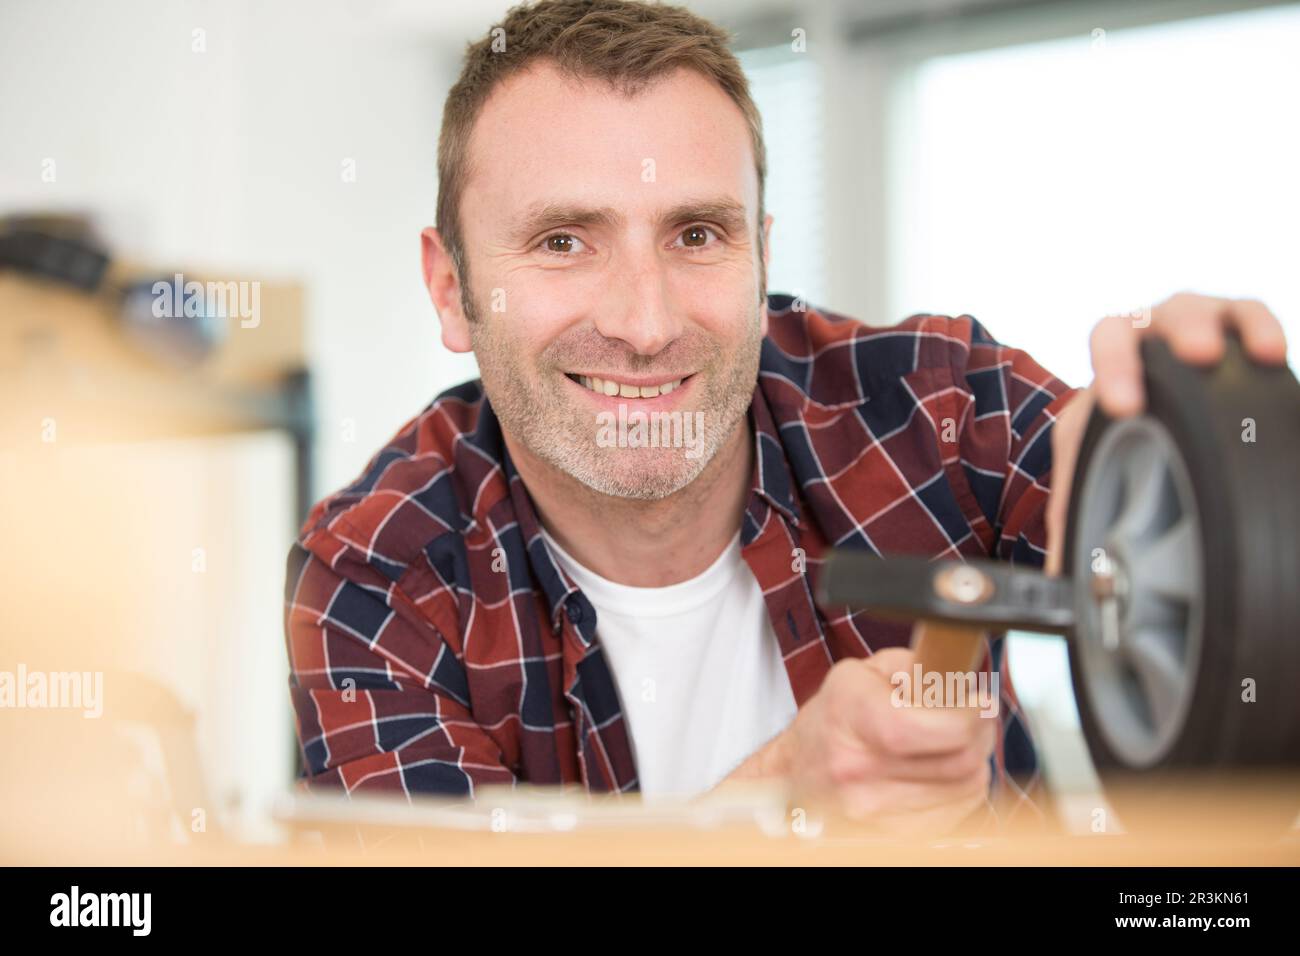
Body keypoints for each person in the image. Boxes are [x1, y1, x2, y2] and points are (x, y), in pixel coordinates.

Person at [282, 0, 1288, 835]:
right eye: (560, 241)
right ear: (452, 289)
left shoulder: (932, 403)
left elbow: (1212, 563)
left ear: (761, 252)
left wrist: (1221, 449)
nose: (645, 322)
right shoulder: (374, 576)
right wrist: (780, 796)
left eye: (697, 233)